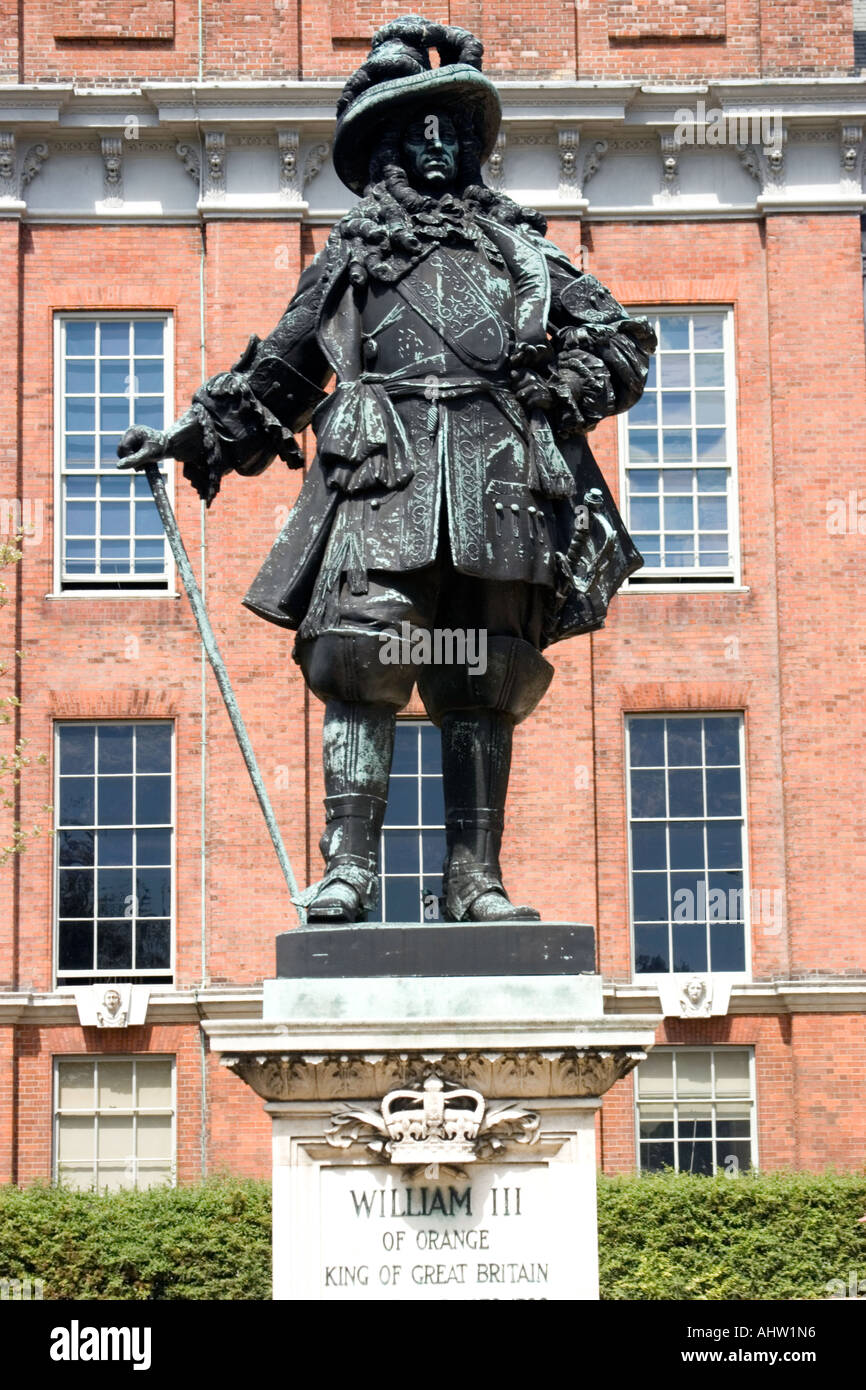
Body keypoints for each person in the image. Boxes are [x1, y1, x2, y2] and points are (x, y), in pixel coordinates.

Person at [118, 16, 656, 926]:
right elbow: (280, 373)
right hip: (381, 472)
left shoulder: (523, 249)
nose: (439, 145)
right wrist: (192, 439)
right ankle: (350, 870)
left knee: (485, 672)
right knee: (360, 657)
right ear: (387, 152)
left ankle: (473, 878)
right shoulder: (353, 256)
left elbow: (617, 340)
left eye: (453, 129)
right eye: (418, 132)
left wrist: (563, 384)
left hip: (498, 478)